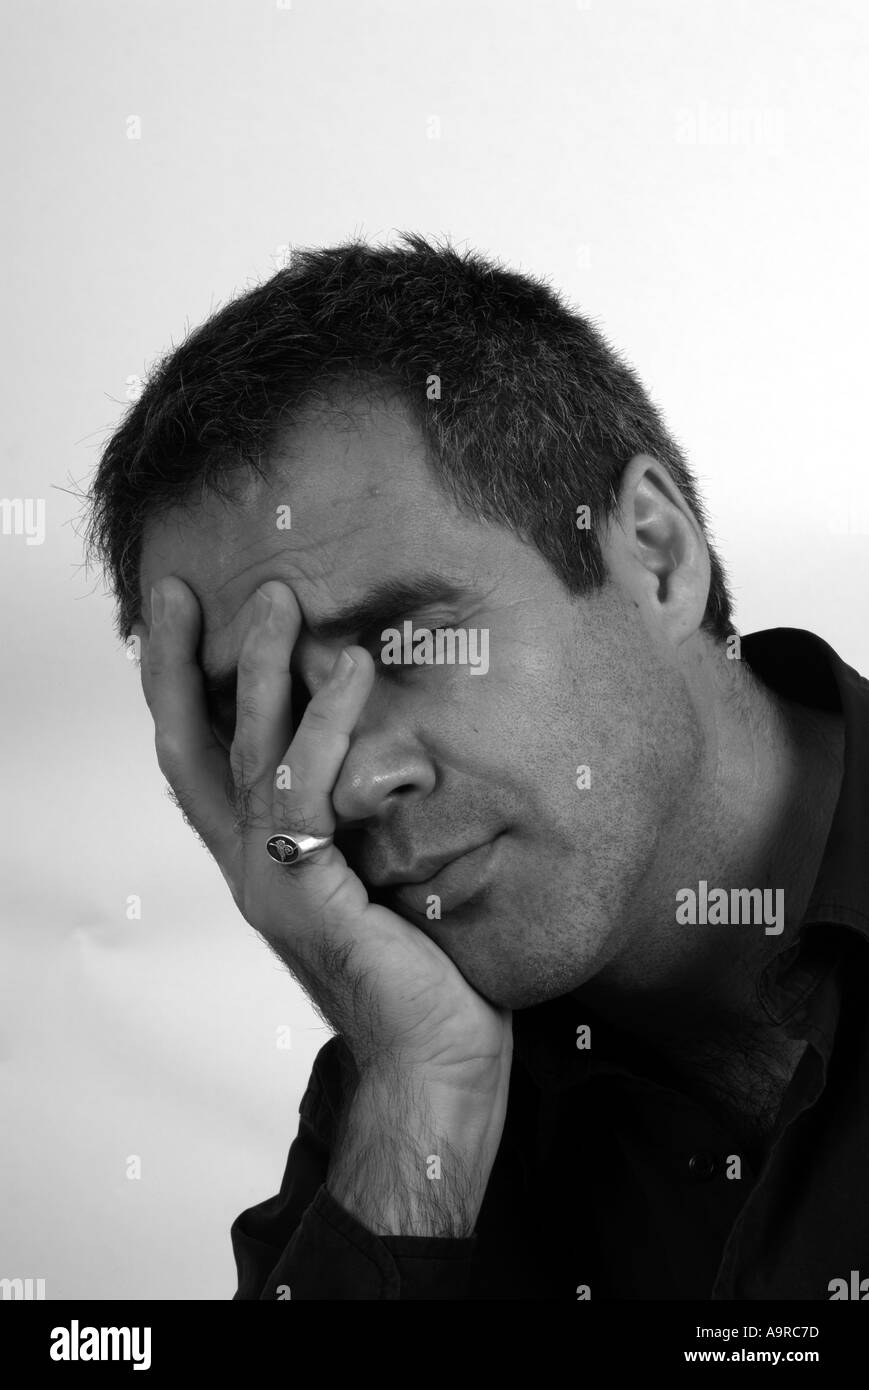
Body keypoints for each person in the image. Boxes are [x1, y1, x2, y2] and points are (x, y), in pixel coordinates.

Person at [85, 235, 868, 1300]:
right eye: (273, 714)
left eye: (409, 645)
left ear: (652, 554)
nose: (352, 783)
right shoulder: (405, 1078)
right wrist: (422, 1097)